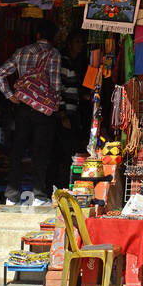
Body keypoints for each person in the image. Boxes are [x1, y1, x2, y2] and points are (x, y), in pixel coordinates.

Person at [0, 19, 62, 208]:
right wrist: (53, 106)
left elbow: (0, 73)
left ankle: (11, 196)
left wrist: (9, 95)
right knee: (40, 153)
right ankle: (40, 196)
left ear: (38, 35)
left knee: (17, 150)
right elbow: (56, 86)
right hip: (43, 112)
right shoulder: (54, 54)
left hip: (23, 108)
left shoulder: (22, 52)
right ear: (53, 37)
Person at [53, 30, 88, 188]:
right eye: (77, 42)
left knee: (69, 150)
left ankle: (65, 186)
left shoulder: (75, 63)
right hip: (65, 114)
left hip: (72, 113)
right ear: (69, 44)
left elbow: (71, 87)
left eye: (82, 42)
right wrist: (62, 115)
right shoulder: (64, 62)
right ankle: (61, 187)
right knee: (64, 152)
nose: (80, 46)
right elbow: (58, 88)